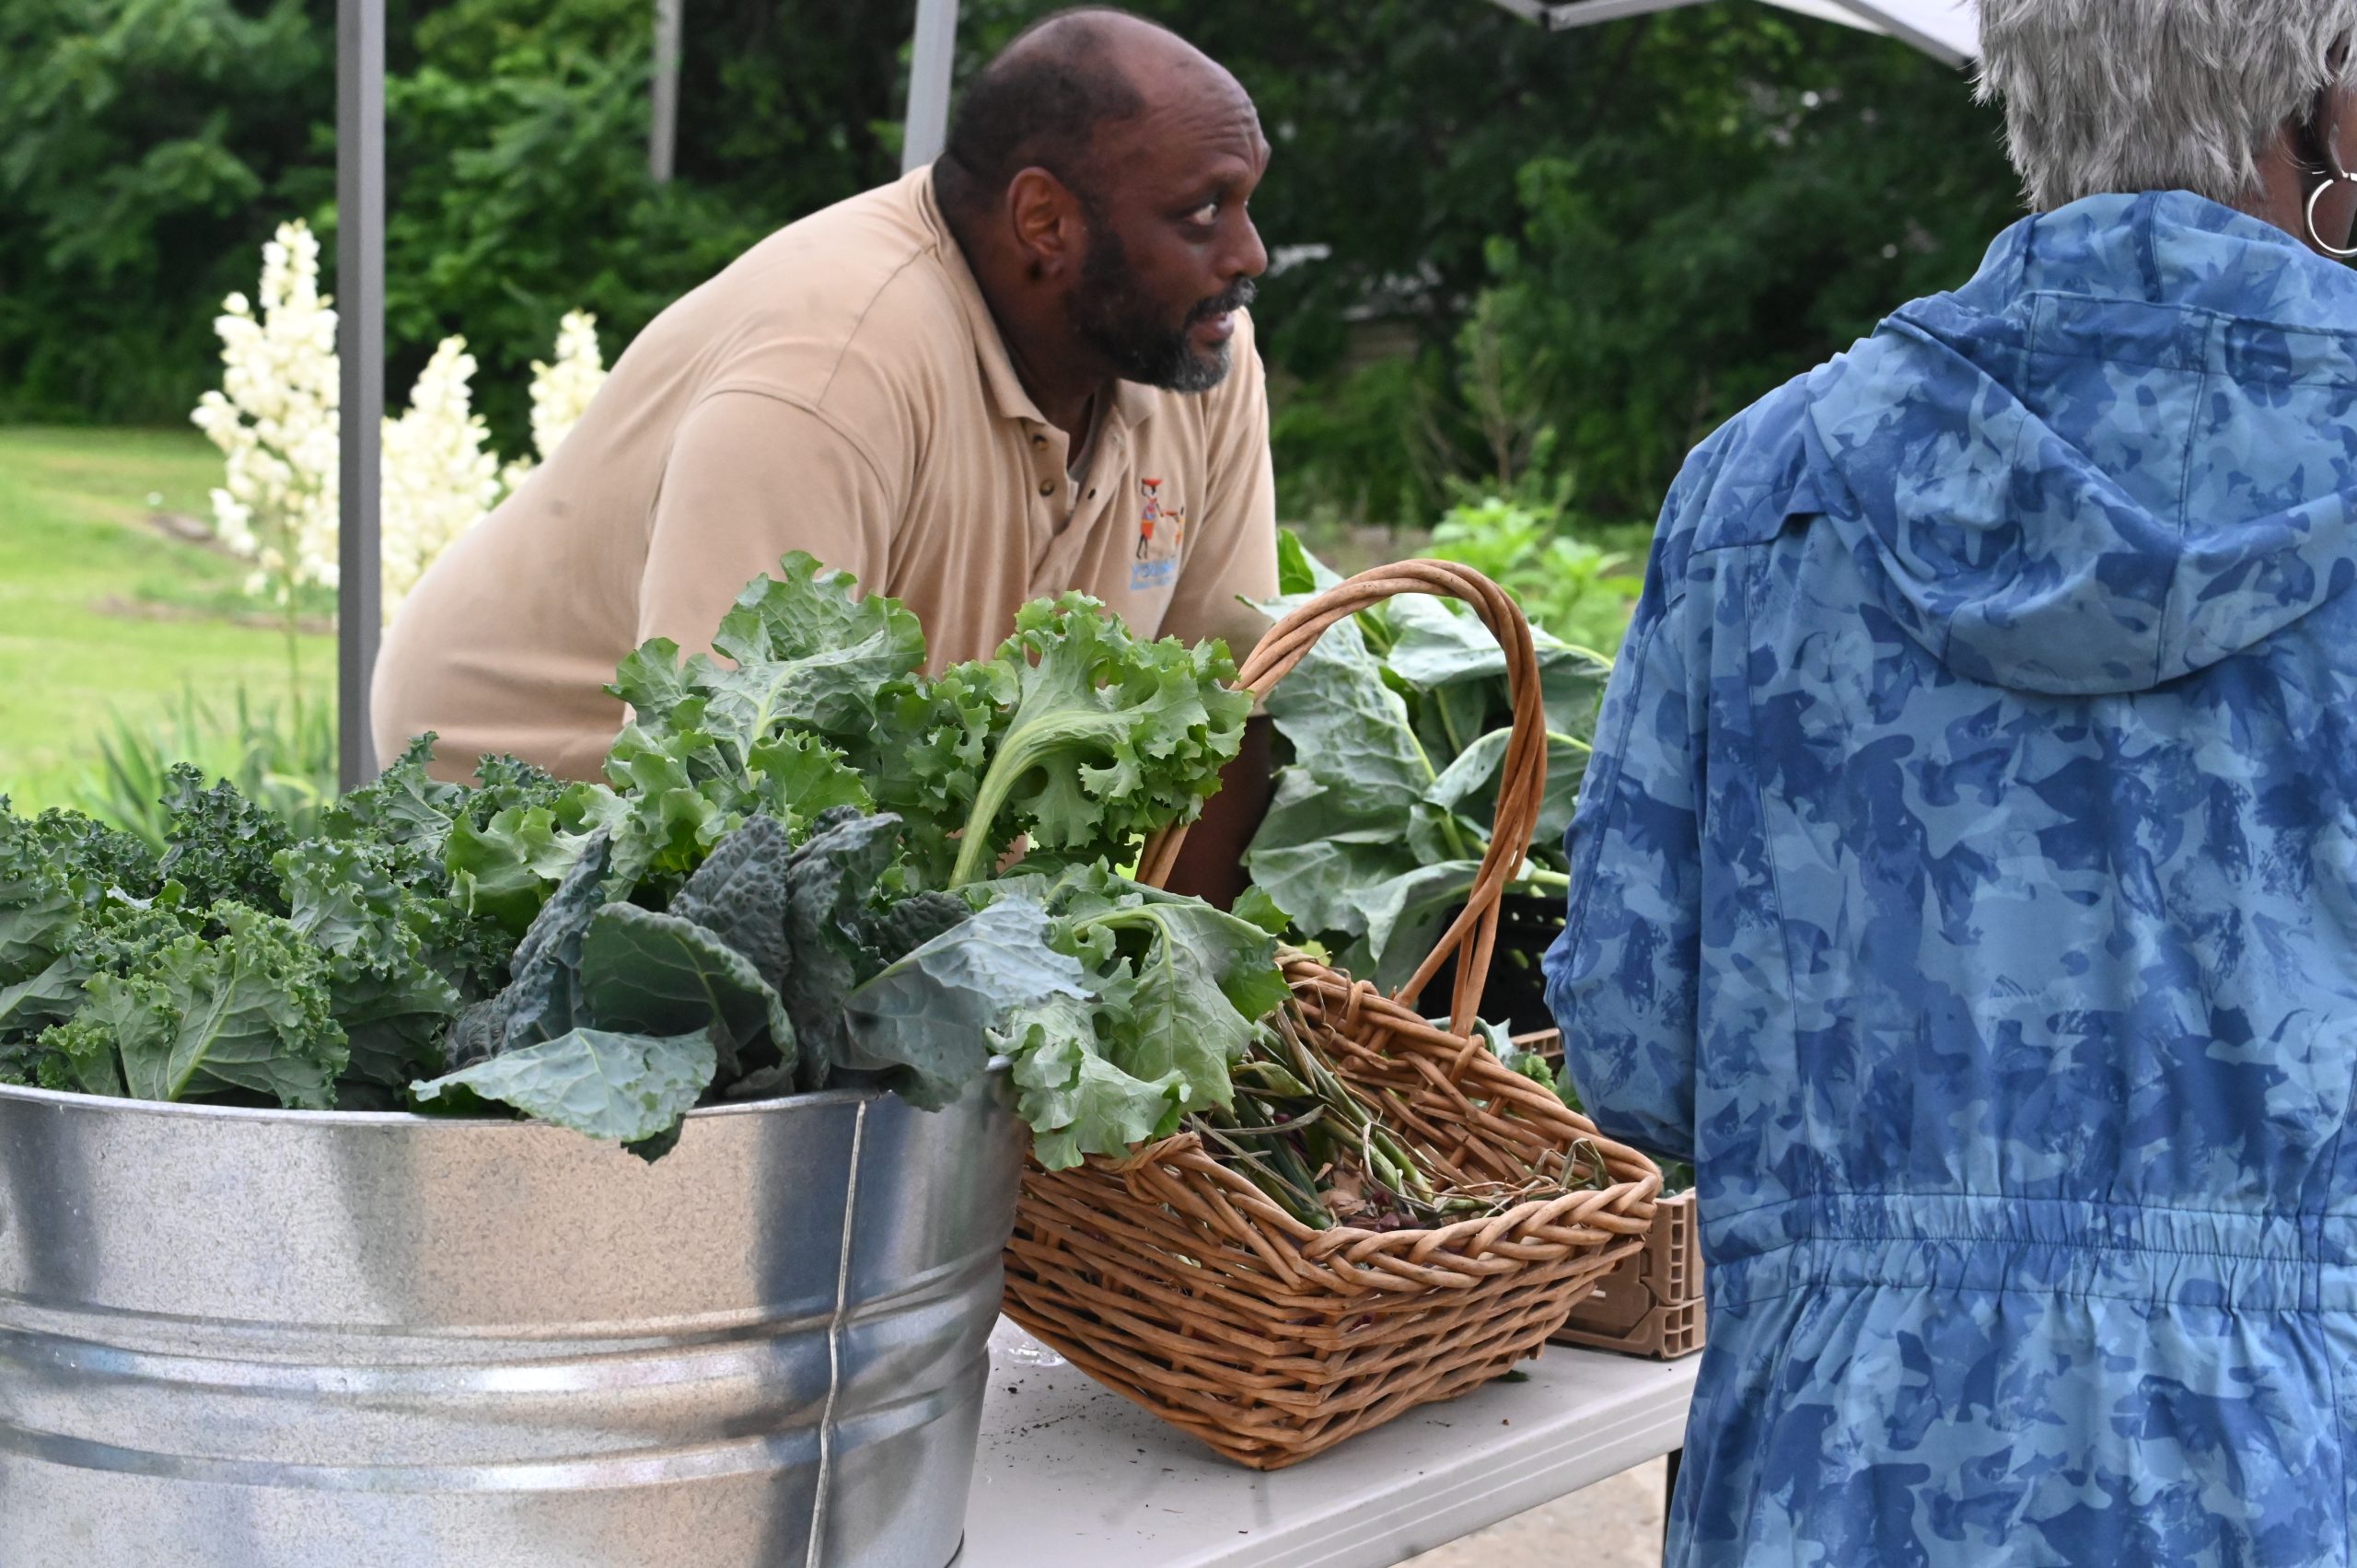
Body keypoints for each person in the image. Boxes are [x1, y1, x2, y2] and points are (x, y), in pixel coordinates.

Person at [1546, 3, 2357, 1562]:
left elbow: (1637, 1055)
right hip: (2296, 1472)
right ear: (2328, 99)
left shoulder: (1761, 485)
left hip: (1835, 1473)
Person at [372, 7, 1274, 902]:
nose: (1250, 254)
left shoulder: (1195, 356)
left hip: (832, 839)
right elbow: (719, 797)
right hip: (540, 797)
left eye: (1246, 202)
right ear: (1045, 221)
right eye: (1203, 211)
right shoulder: (829, 376)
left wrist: (1196, 978)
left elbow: (1232, 706)